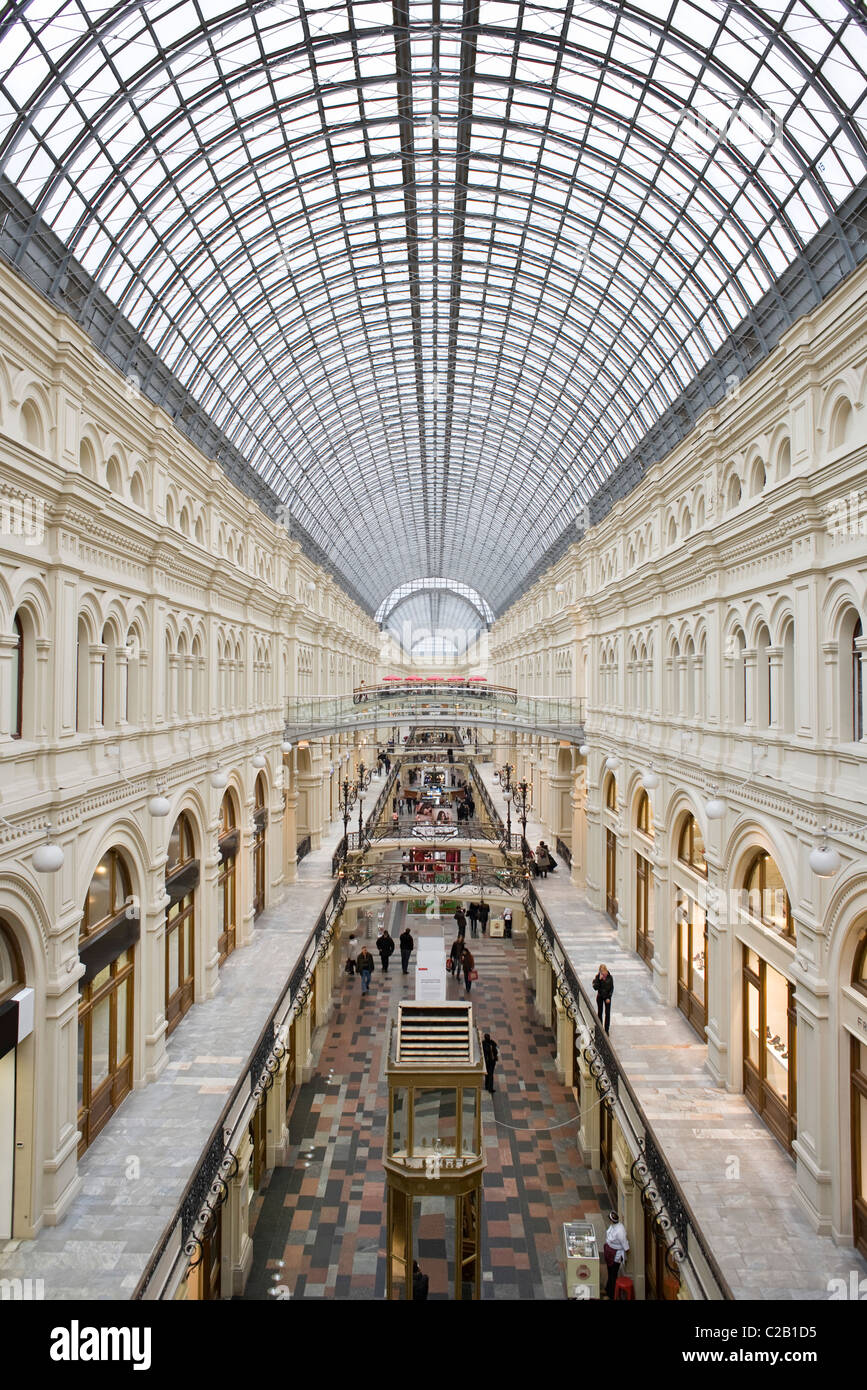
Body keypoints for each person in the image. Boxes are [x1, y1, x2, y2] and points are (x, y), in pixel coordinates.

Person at [603, 1211, 629, 1299]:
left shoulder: (620, 1230)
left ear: (612, 1220)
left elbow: (624, 1243)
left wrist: (626, 1250)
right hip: (610, 1251)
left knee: (613, 1274)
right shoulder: (612, 1226)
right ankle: (607, 1288)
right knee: (610, 1272)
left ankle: (611, 1294)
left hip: (615, 1255)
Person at [593, 963, 614, 1032]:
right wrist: (599, 979)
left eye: (603, 971)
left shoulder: (610, 977)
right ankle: (600, 1028)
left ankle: (606, 1030)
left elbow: (611, 988)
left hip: (607, 997)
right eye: (601, 971)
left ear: (606, 970)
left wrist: (609, 997)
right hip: (600, 996)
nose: (602, 973)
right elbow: (595, 988)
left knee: (607, 1013)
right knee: (600, 1012)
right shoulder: (597, 977)